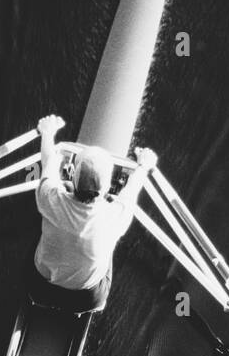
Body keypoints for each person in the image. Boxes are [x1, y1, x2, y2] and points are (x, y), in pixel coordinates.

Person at [29, 114, 157, 312]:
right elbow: (133, 186)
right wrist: (144, 165)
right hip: (85, 299)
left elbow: (48, 161)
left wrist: (47, 132)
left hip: (40, 288)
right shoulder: (114, 217)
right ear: (106, 188)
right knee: (109, 243)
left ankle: (38, 300)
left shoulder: (49, 198)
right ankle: (92, 308)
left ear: (72, 175)